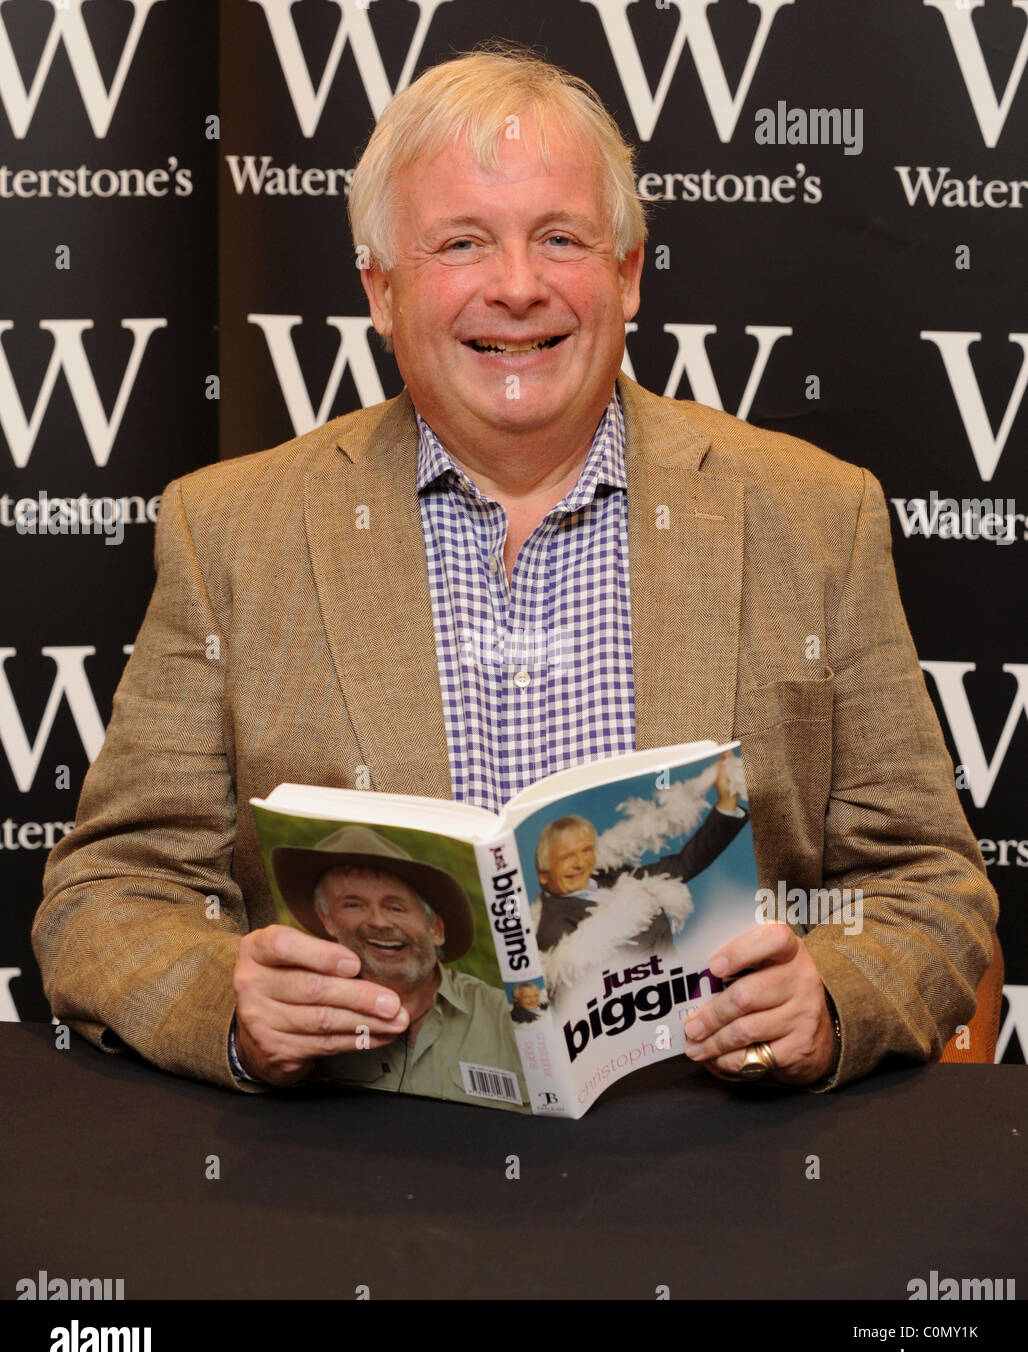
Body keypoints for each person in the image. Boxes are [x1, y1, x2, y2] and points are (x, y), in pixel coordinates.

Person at [32, 44, 997, 1099]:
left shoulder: (815, 516)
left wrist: (830, 997)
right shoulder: (229, 530)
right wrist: (232, 1000)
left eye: (559, 238)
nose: (517, 286)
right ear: (382, 290)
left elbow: (926, 889)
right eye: (459, 243)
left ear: (625, 274)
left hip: (715, 1161)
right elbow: (108, 892)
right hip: (353, 1171)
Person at [267, 825, 526, 1109]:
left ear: (436, 929)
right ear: (327, 921)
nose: (378, 921)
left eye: (396, 908)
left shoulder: (508, 1018)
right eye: (353, 905)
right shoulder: (301, 1011)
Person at [535, 752, 748, 956]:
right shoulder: (552, 927)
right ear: (543, 874)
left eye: (586, 850)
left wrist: (726, 801)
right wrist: (636, 901)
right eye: (566, 857)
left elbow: (683, 865)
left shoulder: (609, 878)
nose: (580, 863)